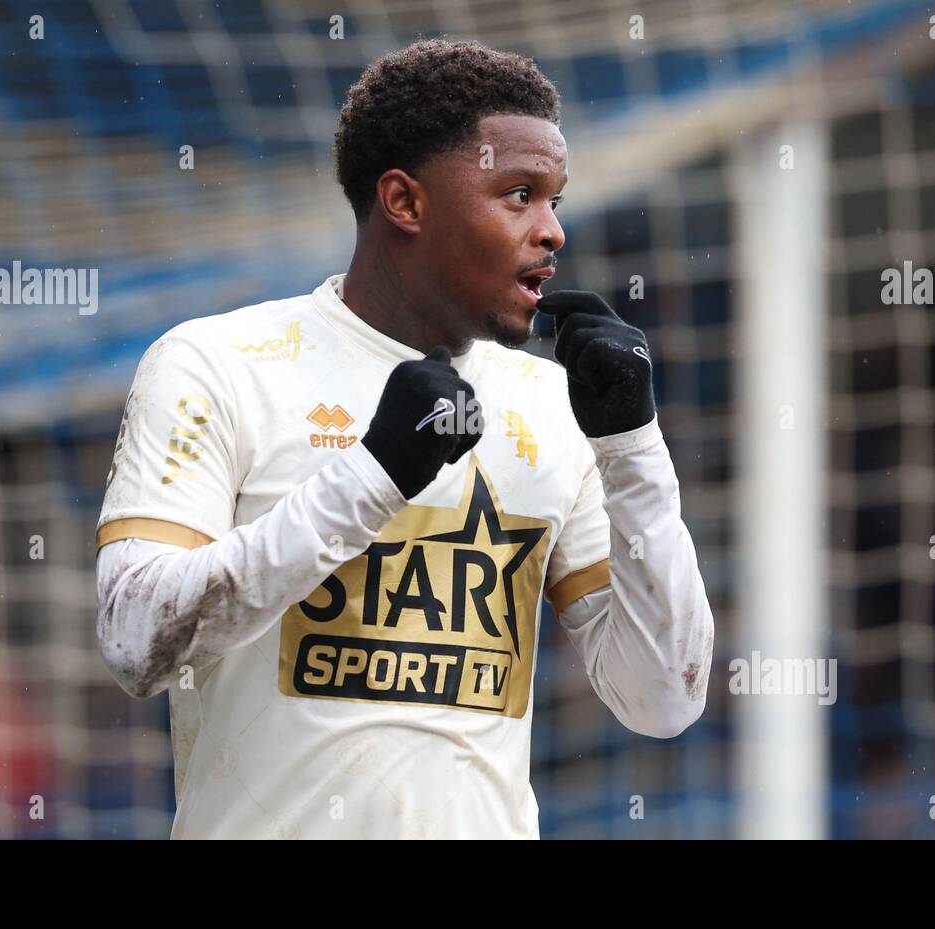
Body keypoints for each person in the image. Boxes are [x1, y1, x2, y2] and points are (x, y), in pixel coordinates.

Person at [95, 37, 713, 839]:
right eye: (519, 194)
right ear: (405, 202)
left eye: (555, 198)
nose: (553, 229)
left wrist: (633, 447)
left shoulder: (548, 404)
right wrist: (373, 474)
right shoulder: (218, 364)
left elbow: (663, 698)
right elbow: (135, 640)